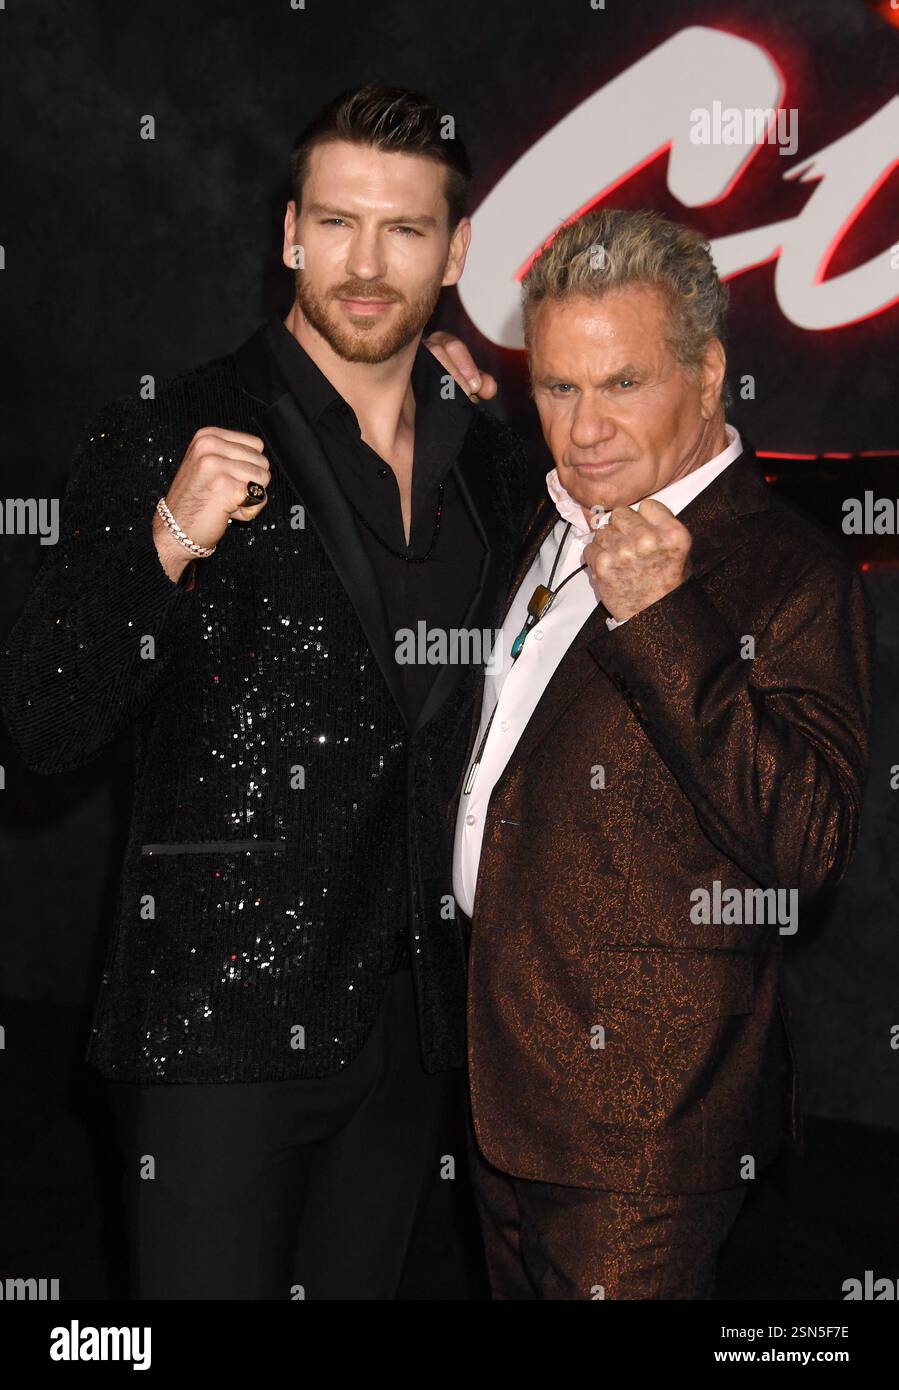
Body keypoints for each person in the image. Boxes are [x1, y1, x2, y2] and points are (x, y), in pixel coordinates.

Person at [0, 83, 530, 1300]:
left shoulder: (499, 467)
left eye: (402, 231)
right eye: (336, 223)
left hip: (410, 1032)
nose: (363, 262)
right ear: (288, 233)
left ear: (455, 252)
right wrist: (165, 542)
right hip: (212, 1025)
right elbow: (42, 719)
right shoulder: (171, 431)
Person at [451, 206, 875, 1299]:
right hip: (495, 1099)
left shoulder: (785, 573)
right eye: (557, 387)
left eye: (621, 383)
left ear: (706, 374)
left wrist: (662, 620)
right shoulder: (543, 520)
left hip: (643, 1137)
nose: (582, 426)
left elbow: (807, 845)